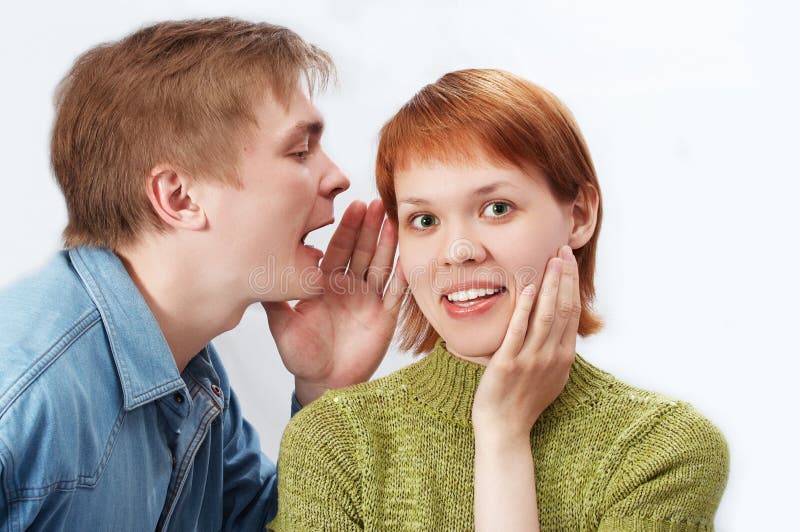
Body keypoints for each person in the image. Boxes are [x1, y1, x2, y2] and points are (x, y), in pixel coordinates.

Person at [269, 69, 729, 530]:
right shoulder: (333, 442)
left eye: (497, 208)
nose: (458, 250)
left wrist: (504, 436)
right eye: (425, 220)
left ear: (580, 215)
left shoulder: (661, 450)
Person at [0, 18, 408, 531]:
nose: (338, 177)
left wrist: (323, 394)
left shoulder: (191, 369)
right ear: (180, 198)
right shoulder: (21, 398)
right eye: (300, 151)